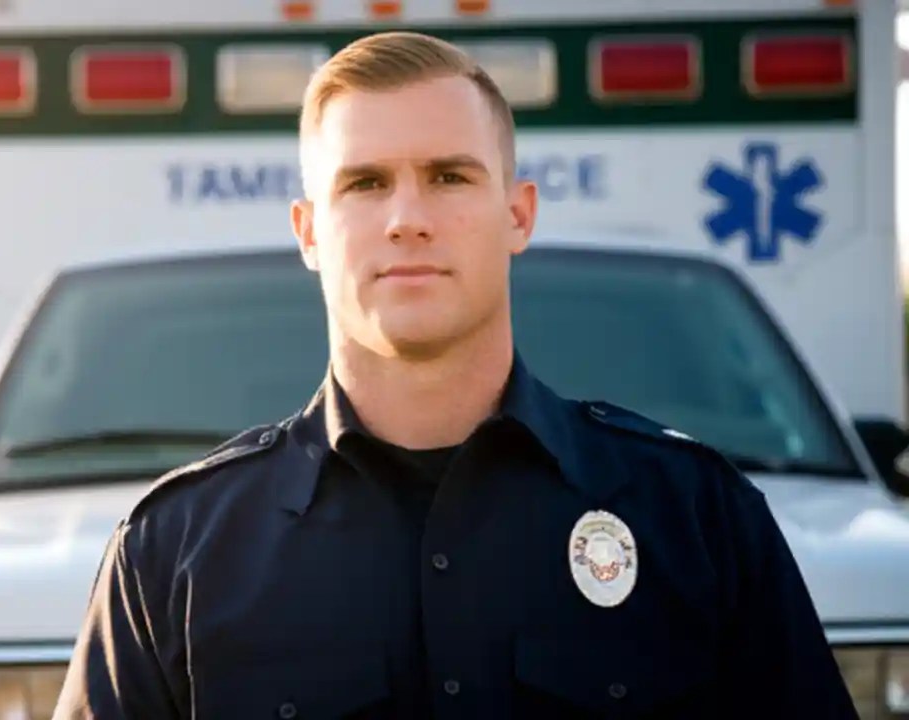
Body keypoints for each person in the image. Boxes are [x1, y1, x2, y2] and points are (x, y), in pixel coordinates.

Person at [53, 31, 858, 719]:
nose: (407, 218)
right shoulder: (175, 553)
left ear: (519, 214)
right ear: (309, 232)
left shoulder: (696, 520)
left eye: (449, 176)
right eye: (364, 183)